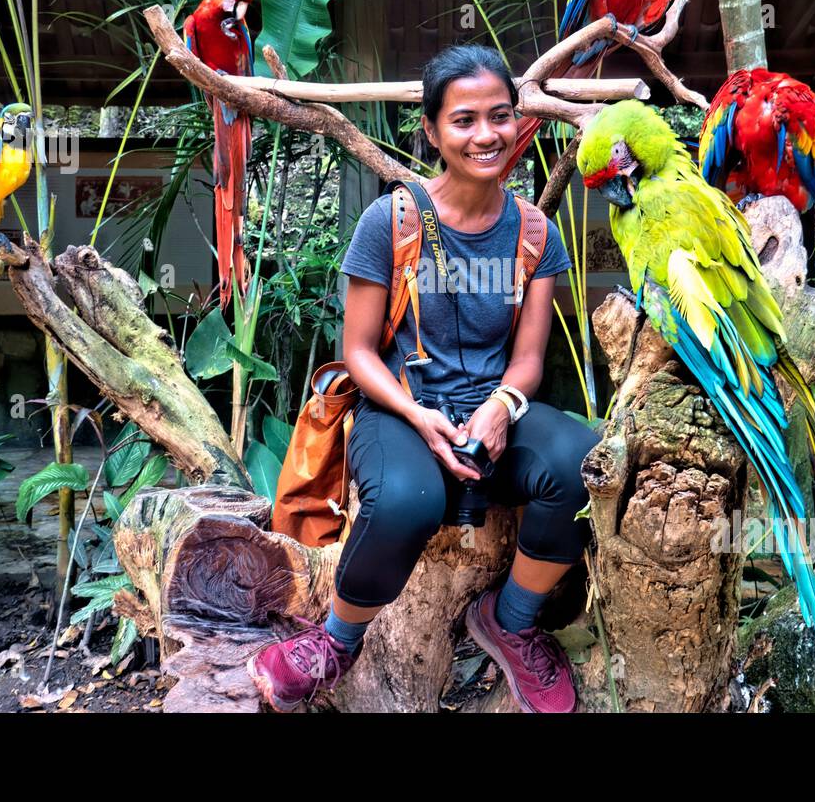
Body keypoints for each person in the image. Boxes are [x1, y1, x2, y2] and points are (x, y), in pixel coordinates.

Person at [249, 44, 601, 713]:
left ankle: (513, 620)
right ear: (433, 132)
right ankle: (334, 643)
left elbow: (528, 358)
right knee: (408, 500)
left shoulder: (534, 232)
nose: (486, 134)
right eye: (464, 120)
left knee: (583, 465)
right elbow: (357, 351)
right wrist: (419, 418)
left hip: (494, 412)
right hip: (400, 409)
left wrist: (501, 407)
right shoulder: (392, 221)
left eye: (500, 116)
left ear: (518, 122)